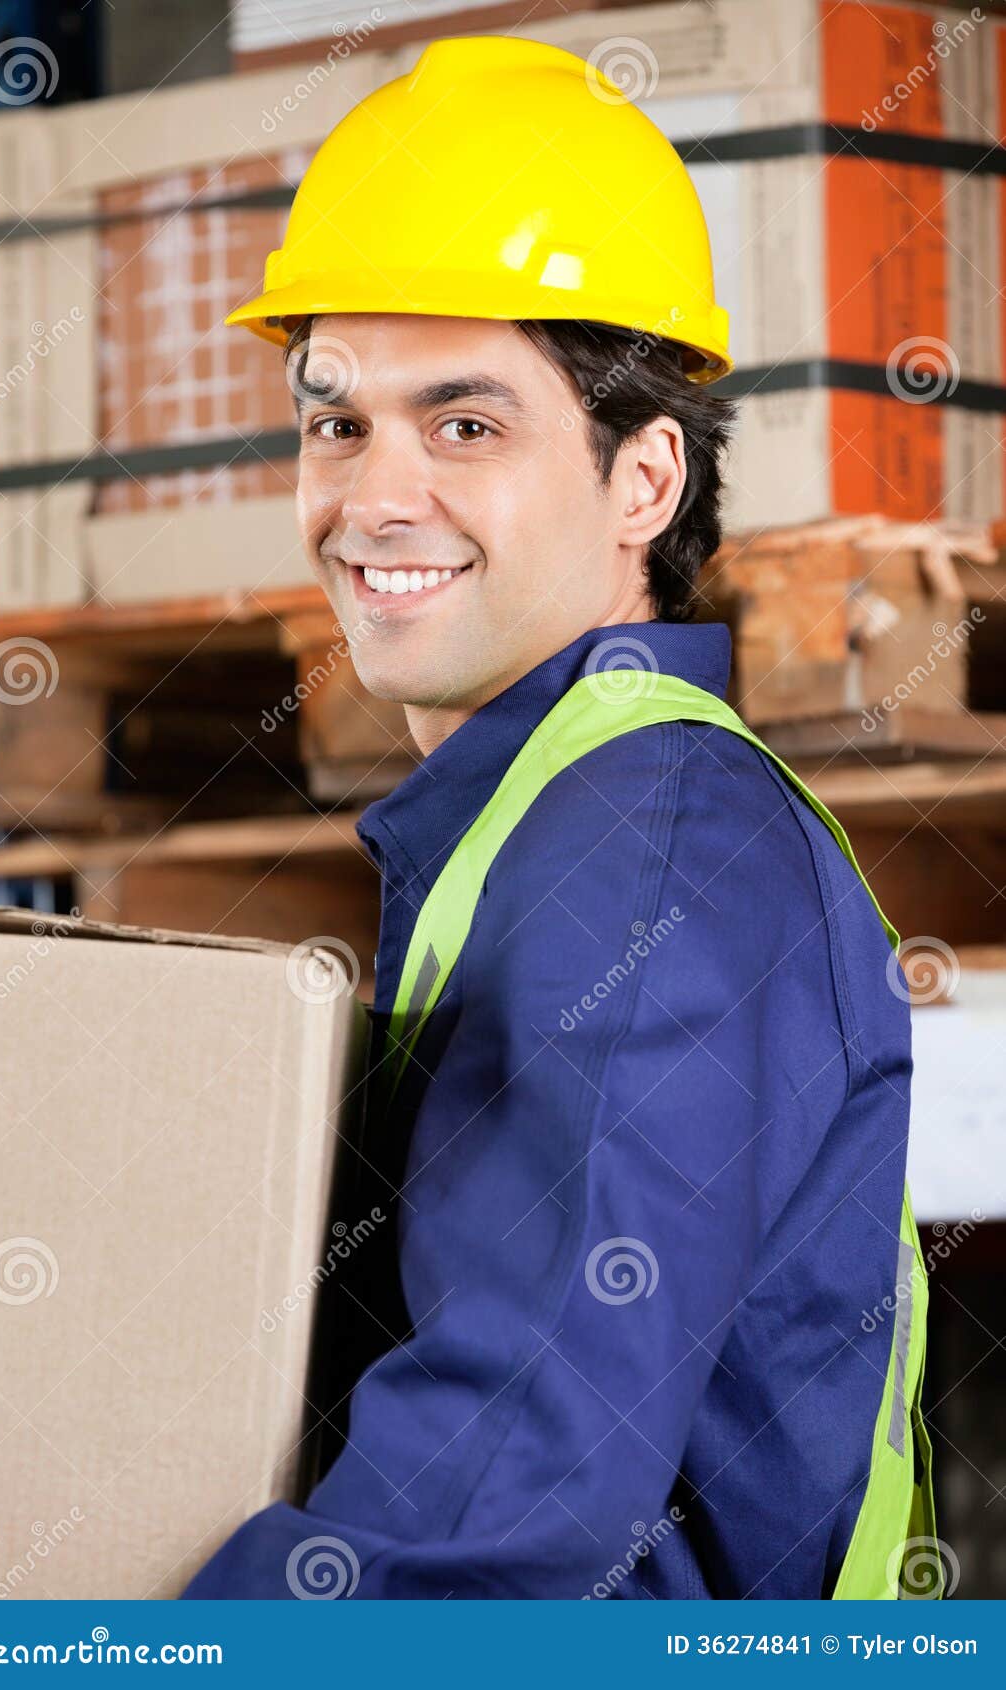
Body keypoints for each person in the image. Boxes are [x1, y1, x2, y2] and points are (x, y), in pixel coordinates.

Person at [182, 33, 936, 1601]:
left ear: (644, 480)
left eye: (465, 426)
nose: (373, 497)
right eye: (337, 421)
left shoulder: (646, 859)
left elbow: (487, 1520)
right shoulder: (548, 814)